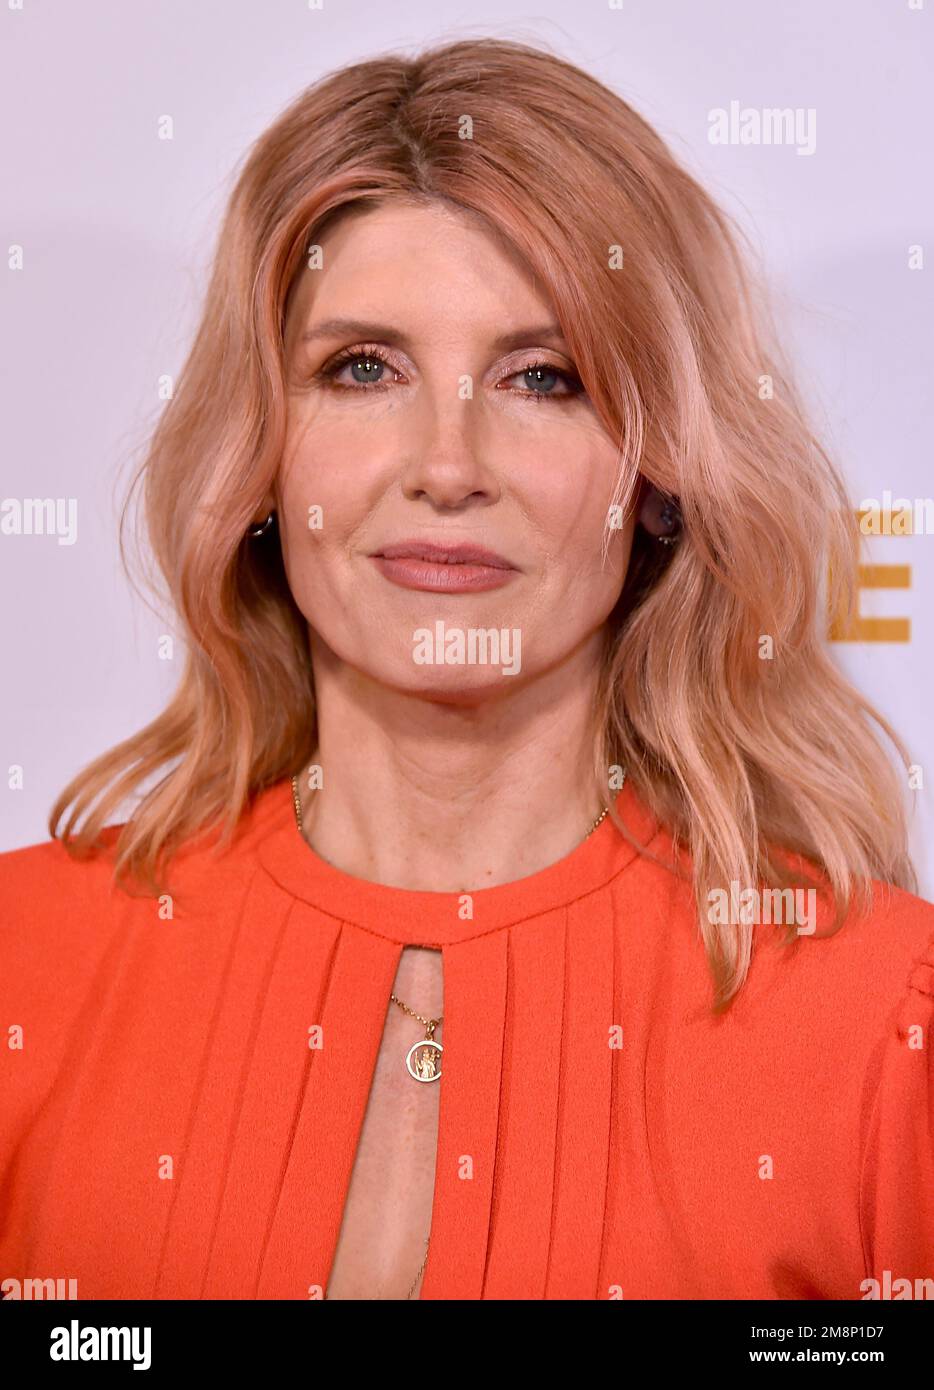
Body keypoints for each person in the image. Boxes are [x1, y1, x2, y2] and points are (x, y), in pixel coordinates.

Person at [1, 37, 932, 1303]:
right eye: (362, 369)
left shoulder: (885, 1022)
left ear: (657, 477)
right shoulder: (25, 959)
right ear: (262, 461)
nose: (448, 464)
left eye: (543, 378)